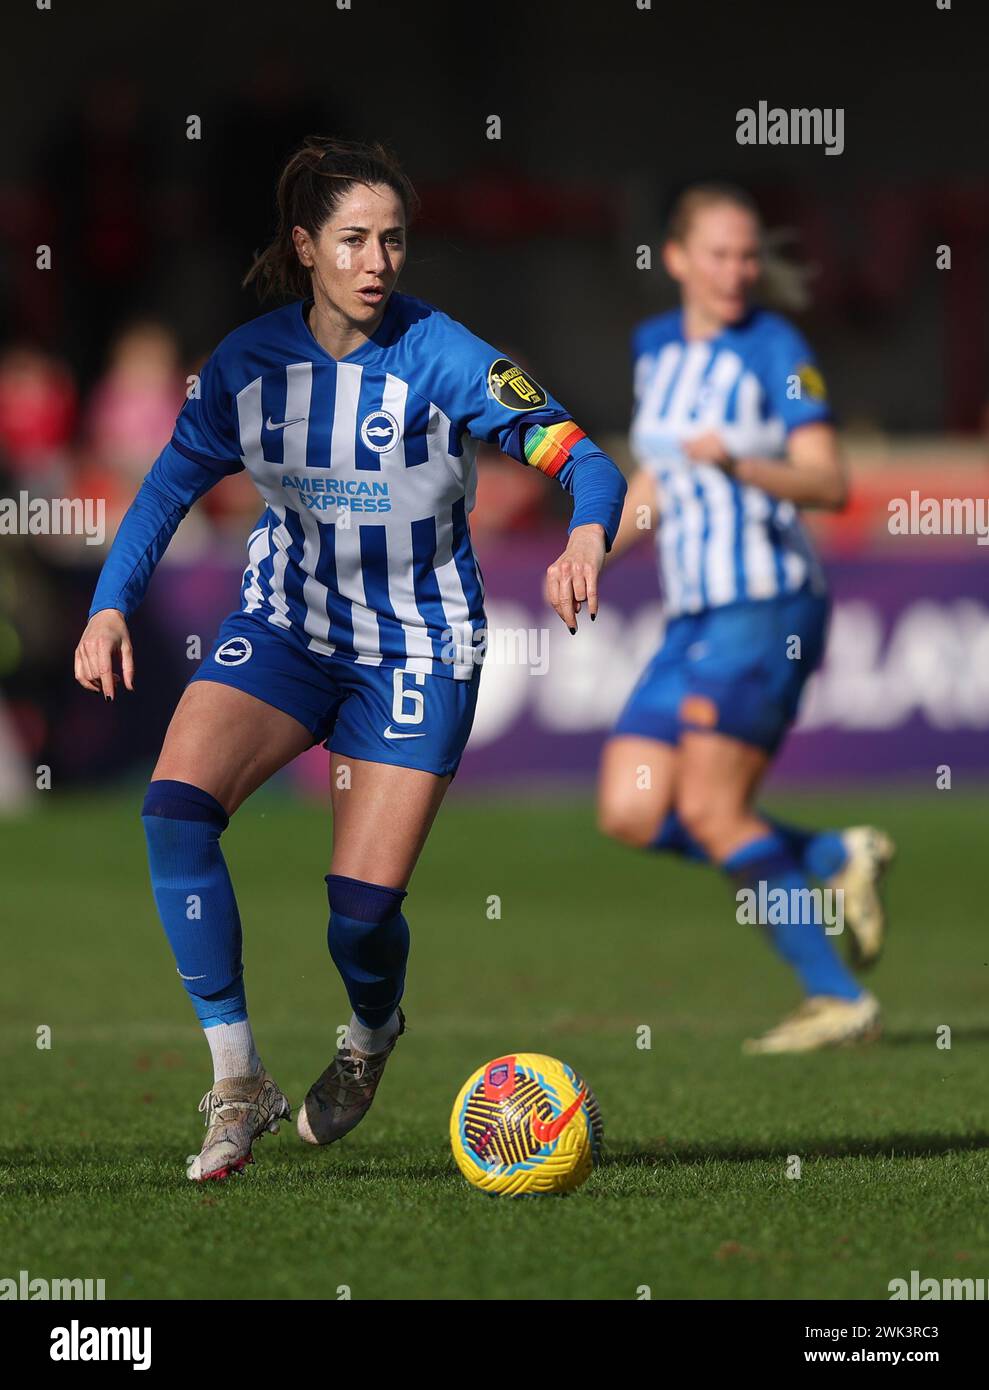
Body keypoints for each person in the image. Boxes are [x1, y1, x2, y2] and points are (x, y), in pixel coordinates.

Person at [74, 136, 626, 1180]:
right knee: (173, 811)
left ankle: (370, 1034)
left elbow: (584, 459)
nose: (378, 260)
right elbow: (160, 494)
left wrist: (585, 532)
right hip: (286, 629)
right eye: (354, 240)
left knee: (360, 916)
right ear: (304, 247)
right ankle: (237, 1079)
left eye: (393, 239)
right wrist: (109, 608)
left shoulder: (444, 354)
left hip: (418, 644)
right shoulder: (245, 364)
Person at [597, 183, 893, 1055]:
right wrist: (586, 553)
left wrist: (742, 465)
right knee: (631, 808)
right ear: (677, 258)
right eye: (718, 253)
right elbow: (651, 483)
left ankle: (838, 997)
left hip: (763, 604)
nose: (736, 271)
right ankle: (829, 858)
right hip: (691, 615)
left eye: (748, 254)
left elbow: (831, 483)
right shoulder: (652, 348)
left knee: (715, 809)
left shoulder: (777, 349)